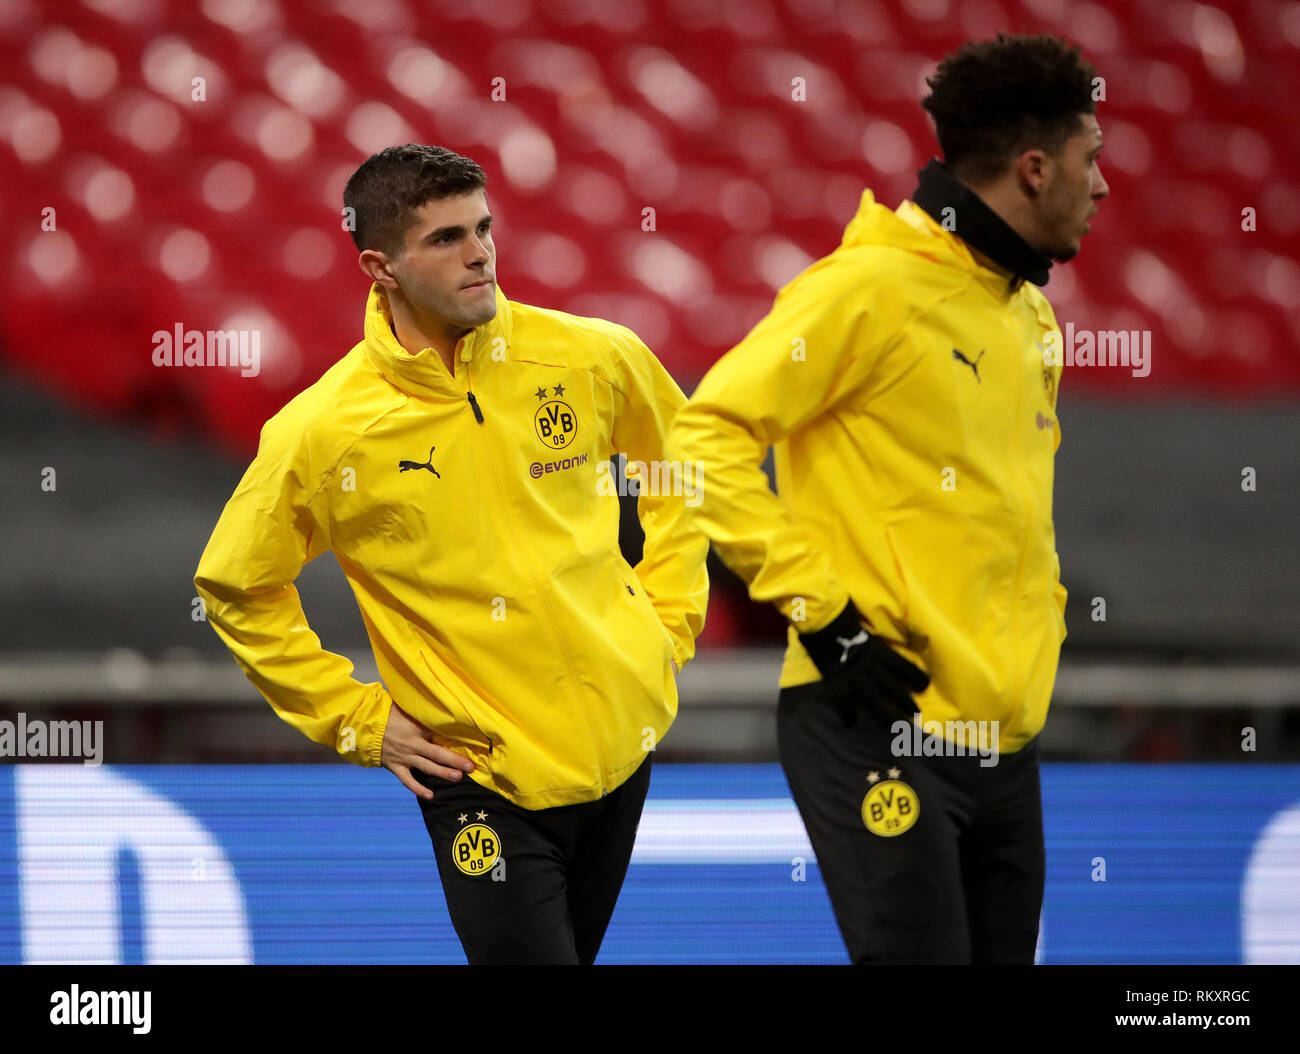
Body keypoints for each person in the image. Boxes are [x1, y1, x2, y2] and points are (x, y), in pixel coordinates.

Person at [195, 143, 709, 964]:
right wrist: (359, 720)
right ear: (380, 266)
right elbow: (235, 587)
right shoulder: (323, 431)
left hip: (623, 752)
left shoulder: (589, 354)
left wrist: (668, 621)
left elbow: (682, 465)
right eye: (445, 239)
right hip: (480, 779)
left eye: (484, 227)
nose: (480, 253)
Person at [665, 34, 1107, 964]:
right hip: (876, 717)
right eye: (1089, 159)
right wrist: (824, 614)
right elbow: (699, 439)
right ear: (1034, 170)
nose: (1100, 186)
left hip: (1002, 741)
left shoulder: (1026, 312)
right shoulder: (867, 290)